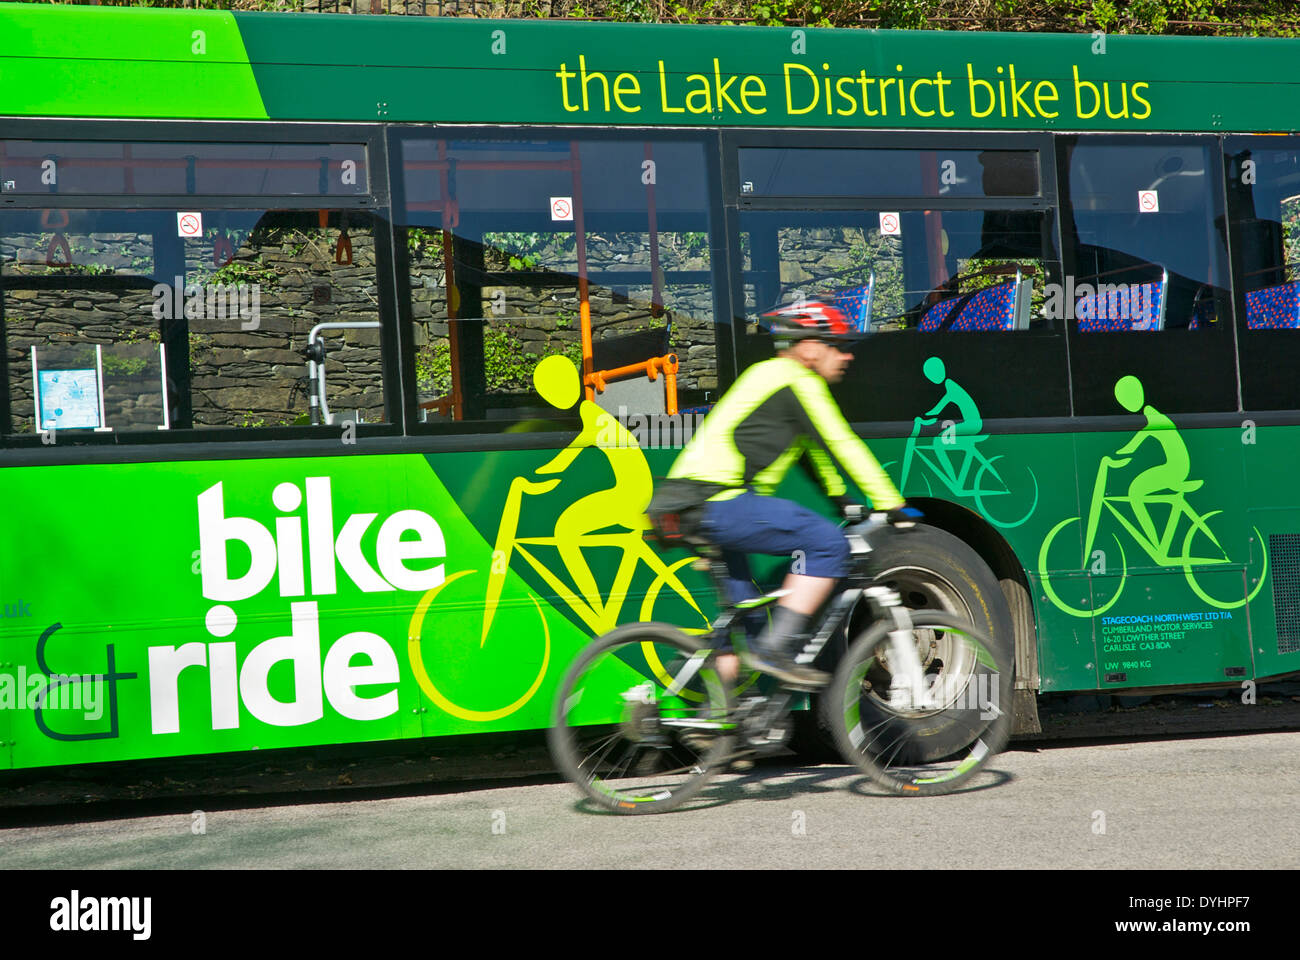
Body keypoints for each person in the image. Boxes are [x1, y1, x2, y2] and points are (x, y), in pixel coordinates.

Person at [654, 300, 911, 687]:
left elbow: (813, 451)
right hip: (718, 499)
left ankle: (715, 725)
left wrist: (840, 498)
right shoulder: (798, 381)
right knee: (827, 542)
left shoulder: (769, 375)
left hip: (686, 503)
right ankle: (775, 652)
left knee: (747, 624)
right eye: (838, 345)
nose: (846, 356)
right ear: (809, 346)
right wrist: (893, 503)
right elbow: (840, 441)